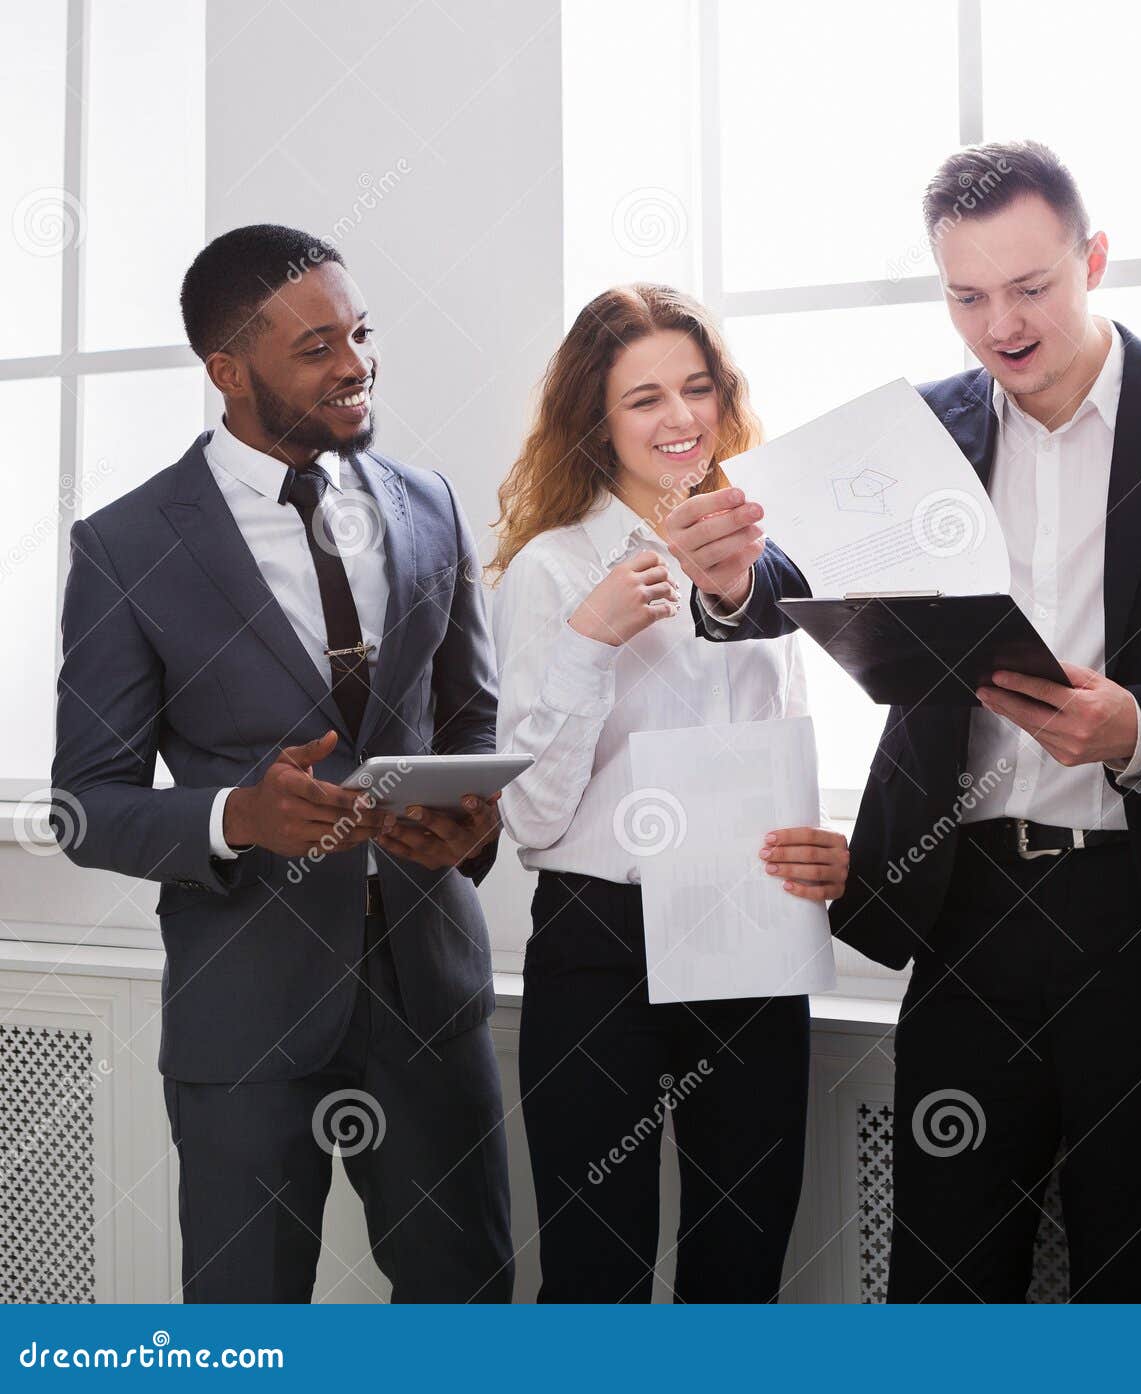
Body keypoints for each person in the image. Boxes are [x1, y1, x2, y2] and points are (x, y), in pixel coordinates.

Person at [664, 141, 1141, 1301]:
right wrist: (723, 582)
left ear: (1093, 260)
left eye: (1030, 287)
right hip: (964, 913)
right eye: (967, 296)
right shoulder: (915, 430)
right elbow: (795, 578)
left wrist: (1139, 730)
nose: (1000, 324)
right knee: (943, 1278)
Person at [51, 225, 513, 1302]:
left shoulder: (427, 500)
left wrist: (469, 816)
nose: (354, 364)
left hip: (427, 987)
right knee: (246, 1326)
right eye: (315, 347)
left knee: (469, 1308)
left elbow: (470, 718)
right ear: (228, 370)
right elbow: (86, 803)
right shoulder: (126, 547)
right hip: (246, 1008)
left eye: (359, 331)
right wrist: (236, 818)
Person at [489, 283, 847, 1302]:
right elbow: (531, 817)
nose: (678, 416)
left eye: (695, 387)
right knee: (594, 1268)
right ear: (596, 423)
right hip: (602, 939)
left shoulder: (775, 561)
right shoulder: (553, 570)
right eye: (642, 397)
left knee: (742, 1261)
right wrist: (589, 643)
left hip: (752, 928)